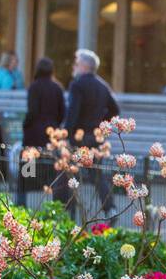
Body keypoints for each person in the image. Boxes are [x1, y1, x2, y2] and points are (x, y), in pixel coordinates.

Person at [52, 48, 120, 216]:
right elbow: (115, 109)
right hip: (95, 138)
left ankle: (70, 211)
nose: (73, 67)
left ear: (84, 66)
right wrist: (100, 123)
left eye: (76, 63)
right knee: (97, 174)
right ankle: (110, 209)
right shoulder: (103, 86)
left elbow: (72, 113)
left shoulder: (78, 84)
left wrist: (66, 135)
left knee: (69, 173)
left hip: (78, 138)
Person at [16, 57, 65, 206]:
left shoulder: (34, 87)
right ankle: (53, 205)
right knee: (50, 170)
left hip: (33, 135)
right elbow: (62, 112)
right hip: (50, 136)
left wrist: (25, 125)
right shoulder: (57, 88)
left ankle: (22, 202)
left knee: (27, 169)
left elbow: (32, 111)